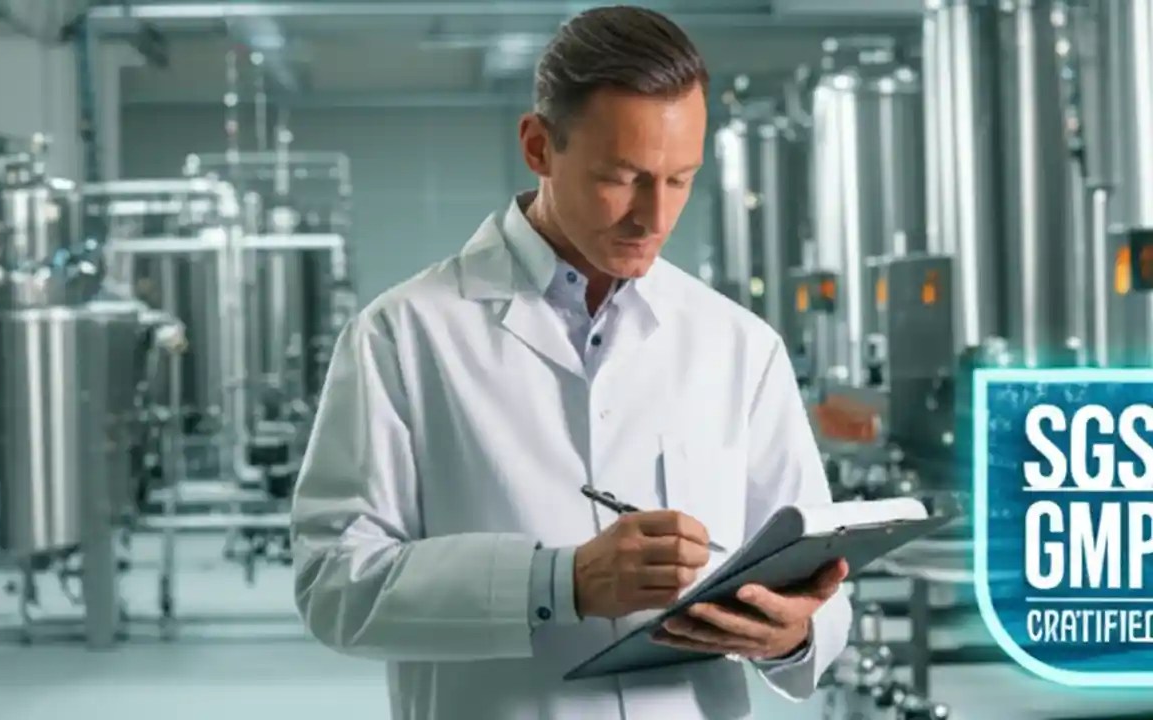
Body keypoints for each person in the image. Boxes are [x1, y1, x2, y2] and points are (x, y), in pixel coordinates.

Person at [290, 5, 851, 719]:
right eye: (622, 177)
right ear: (537, 146)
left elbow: (819, 579)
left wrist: (793, 634)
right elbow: (335, 585)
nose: (655, 217)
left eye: (680, 179)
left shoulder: (737, 344)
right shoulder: (404, 336)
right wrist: (559, 582)